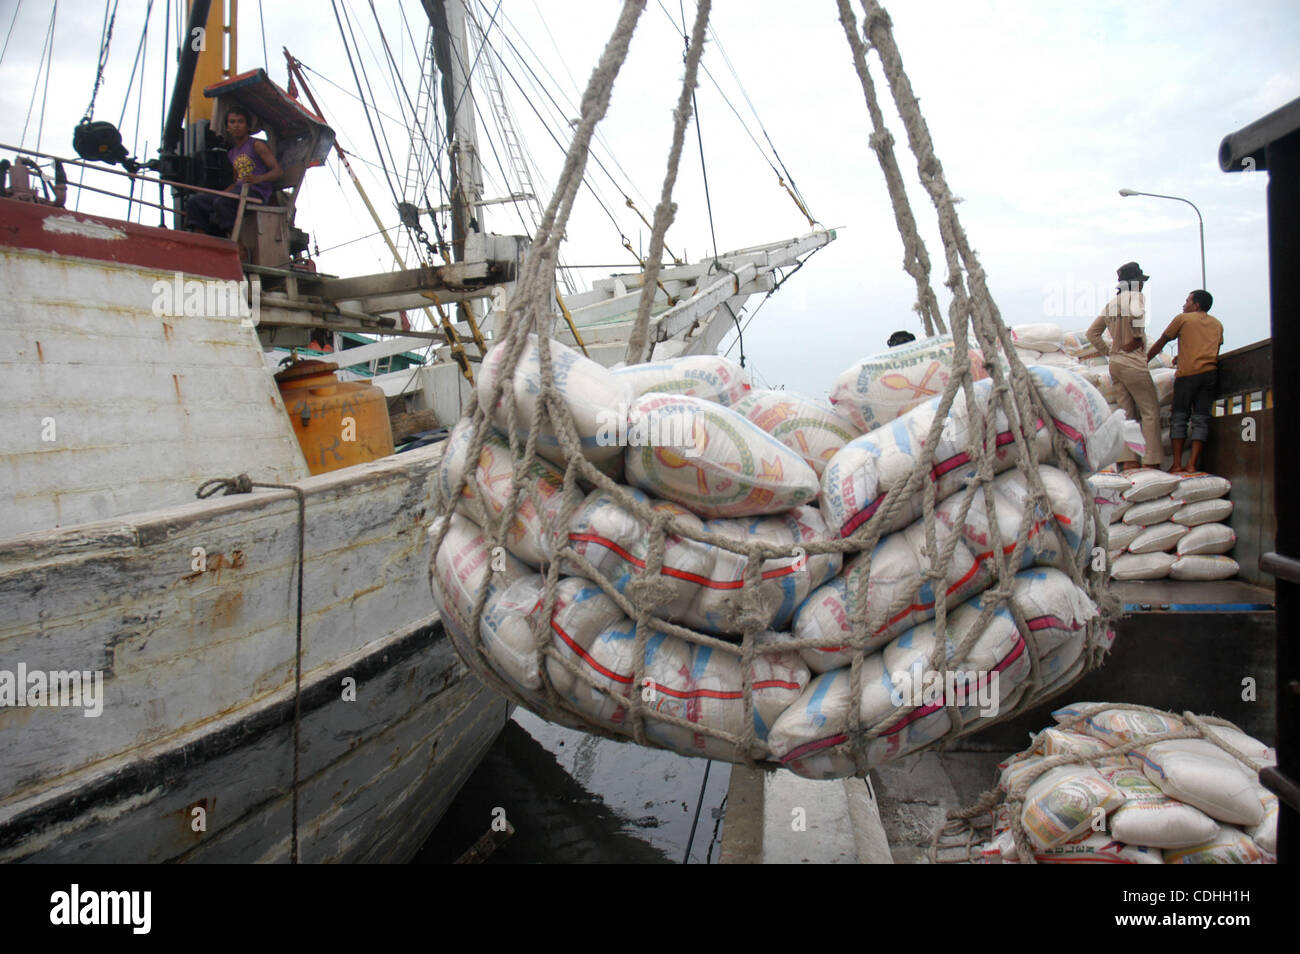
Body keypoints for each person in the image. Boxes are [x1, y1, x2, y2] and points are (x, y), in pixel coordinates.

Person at [1086, 262, 1163, 471]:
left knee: (1126, 413)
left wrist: (1109, 352)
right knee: (1149, 411)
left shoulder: (1112, 303)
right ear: (1135, 282)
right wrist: (1137, 338)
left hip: (1116, 363)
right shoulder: (1136, 297)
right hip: (1133, 362)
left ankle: (1128, 460)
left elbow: (1091, 333)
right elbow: (1138, 316)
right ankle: (1150, 461)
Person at [1146, 290, 1223, 473]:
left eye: (1187, 301)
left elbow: (1162, 342)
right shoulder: (1217, 324)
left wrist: (1145, 361)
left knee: (1179, 418)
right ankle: (1192, 464)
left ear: (1196, 305)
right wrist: (1182, 356)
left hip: (1188, 376)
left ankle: (1177, 464)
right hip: (1210, 375)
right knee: (1201, 419)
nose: (1184, 304)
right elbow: (1208, 349)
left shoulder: (1183, 319)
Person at [184, 106, 281, 236]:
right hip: (238, 193)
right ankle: (199, 237)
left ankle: (236, 243)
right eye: (232, 122)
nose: (236, 125)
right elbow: (236, 182)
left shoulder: (257, 145)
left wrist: (258, 179)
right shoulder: (232, 153)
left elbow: (278, 171)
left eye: (240, 122)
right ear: (228, 128)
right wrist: (220, 193)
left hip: (256, 194)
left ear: (247, 126)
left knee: (222, 203)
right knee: (195, 201)